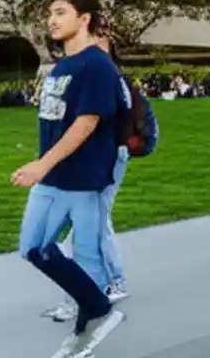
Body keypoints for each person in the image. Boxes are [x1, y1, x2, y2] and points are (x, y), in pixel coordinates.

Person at [12, 0, 127, 357]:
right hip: (52, 176)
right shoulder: (61, 67)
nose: (52, 20)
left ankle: (90, 322)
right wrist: (42, 165)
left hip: (81, 179)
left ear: (84, 19)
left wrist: (42, 164)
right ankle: (96, 308)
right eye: (50, 14)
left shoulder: (96, 65)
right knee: (33, 247)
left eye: (61, 12)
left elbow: (86, 123)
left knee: (86, 255)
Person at [42, 28, 141, 323]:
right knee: (93, 221)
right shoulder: (97, 74)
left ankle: (95, 290)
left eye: (99, 39)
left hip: (105, 157)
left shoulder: (105, 76)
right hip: (96, 158)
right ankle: (108, 284)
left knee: (88, 224)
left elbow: (91, 123)